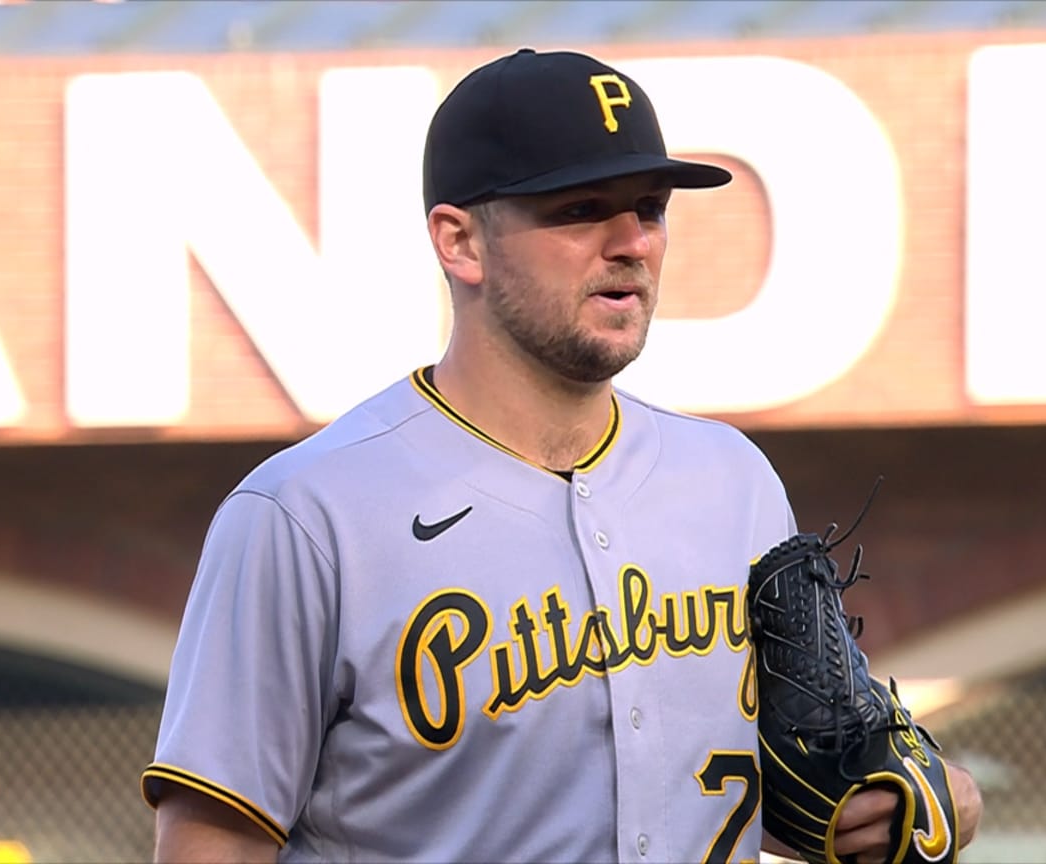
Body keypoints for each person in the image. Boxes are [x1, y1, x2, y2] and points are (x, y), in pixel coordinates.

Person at [142, 47, 983, 864]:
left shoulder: (732, 480)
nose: (631, 243)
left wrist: (915, 796)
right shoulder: (306, 515)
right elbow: (212, 845)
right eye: (580, 210)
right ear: (460, 242)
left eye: (650, 208)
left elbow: (770, 791)